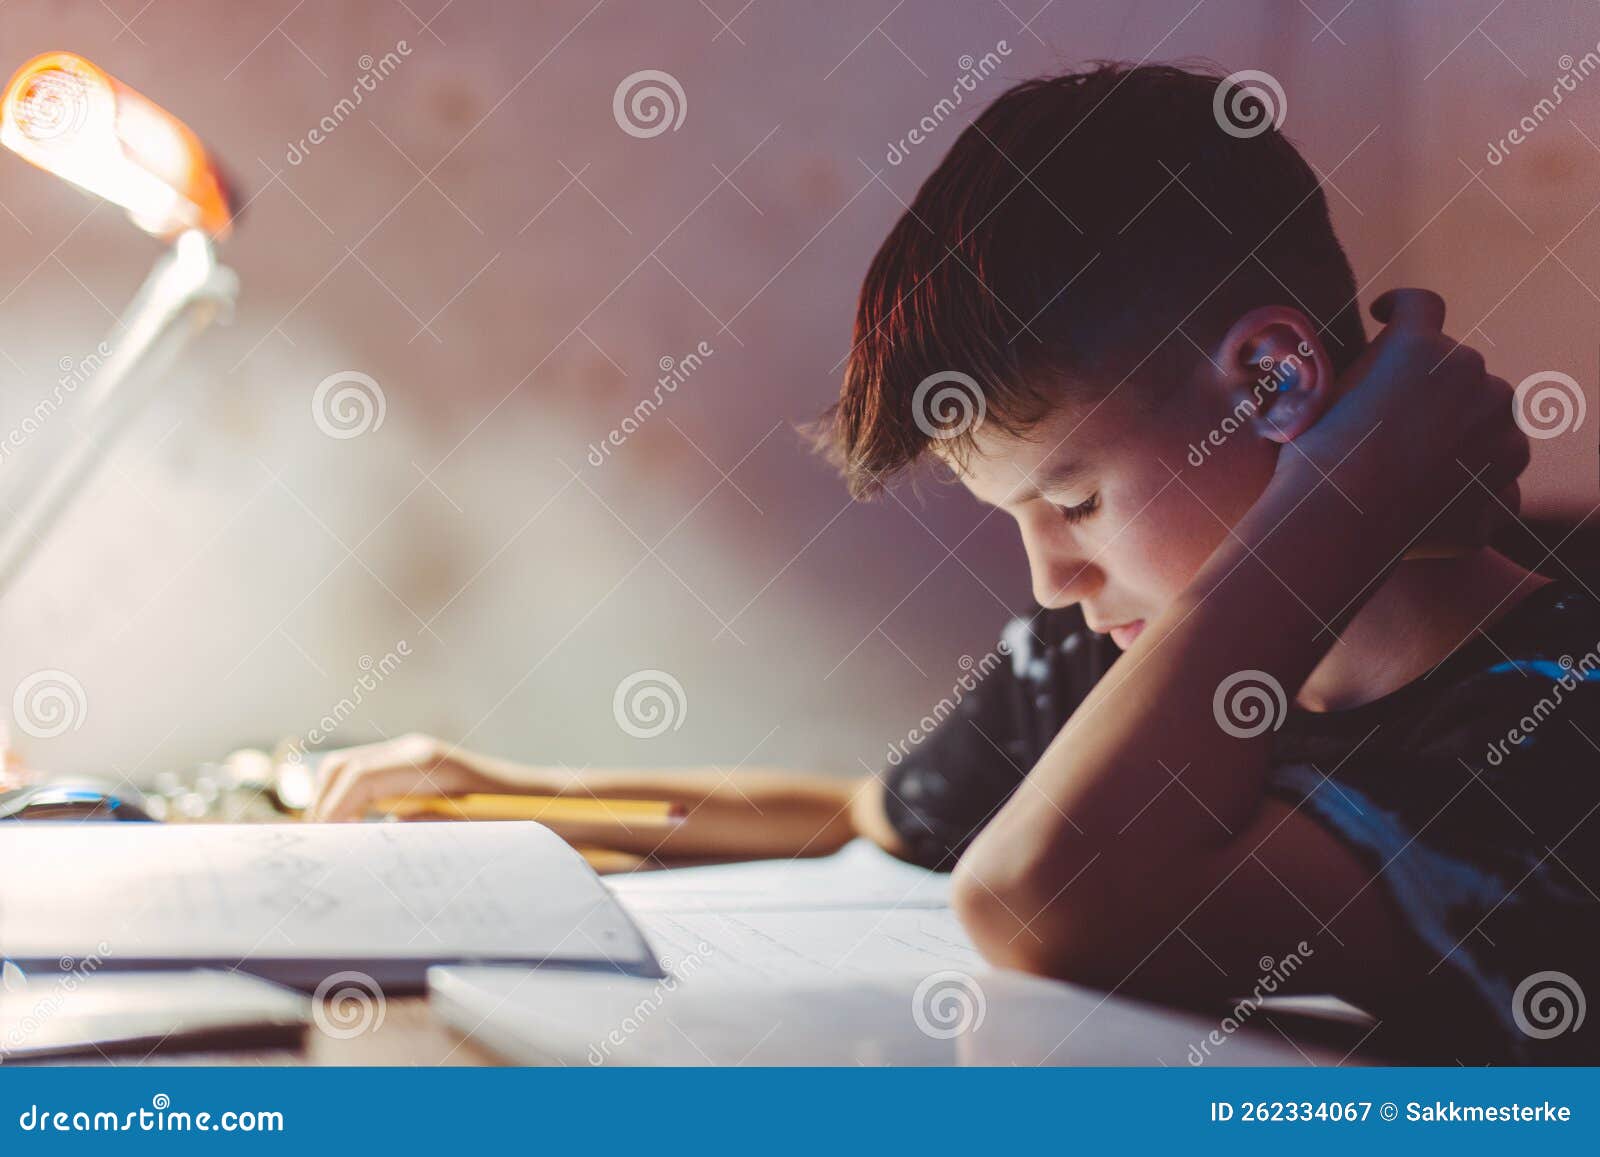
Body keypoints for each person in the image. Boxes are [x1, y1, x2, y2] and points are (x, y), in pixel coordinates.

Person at [308, 64, 1598, 1063]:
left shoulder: (1549, 737)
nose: (1049, 581)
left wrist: (1340, 503)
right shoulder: (1082, 671)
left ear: (1270, 381)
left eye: (1077, 499)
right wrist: (517, 792)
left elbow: (1040, 898)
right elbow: (864, 817)